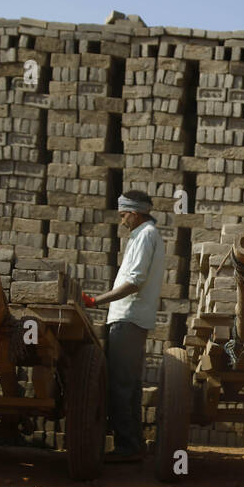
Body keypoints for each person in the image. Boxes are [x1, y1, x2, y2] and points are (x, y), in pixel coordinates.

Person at [83, 191, 166, 462]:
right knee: (128, 384)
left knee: (120, 385)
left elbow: (134, 281)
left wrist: (97, 300)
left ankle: (127, 447)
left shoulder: (145, 236)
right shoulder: (143, 235)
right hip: (130, 318)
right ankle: (134, 445)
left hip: (128, 317)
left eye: (123, 215)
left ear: (135, 212)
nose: (121, 221)